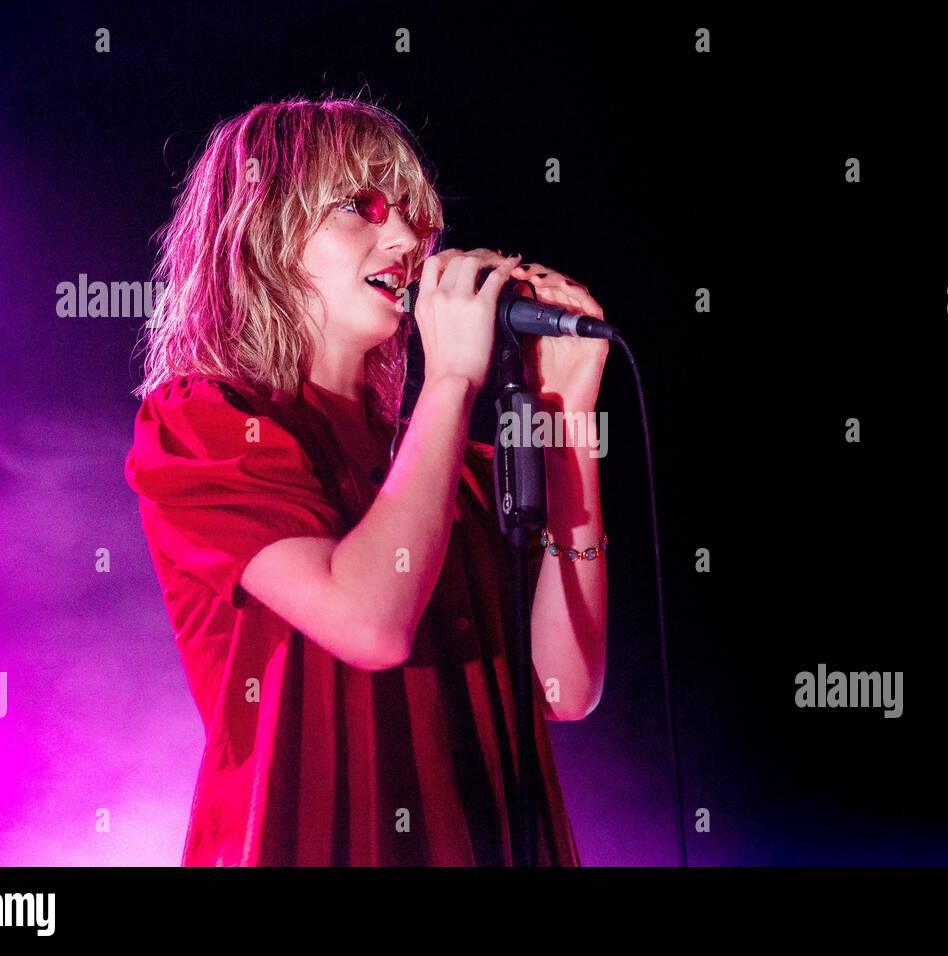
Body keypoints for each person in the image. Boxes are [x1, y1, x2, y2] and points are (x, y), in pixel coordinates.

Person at [123, 95, 610, 865]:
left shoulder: (449, 472)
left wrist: (571, 429)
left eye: (416, 214)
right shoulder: (203, 425)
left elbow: (564, 687)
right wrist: (451, 377)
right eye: (362, 205)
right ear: (262, 233)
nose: (408, 238)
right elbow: (369, 624)